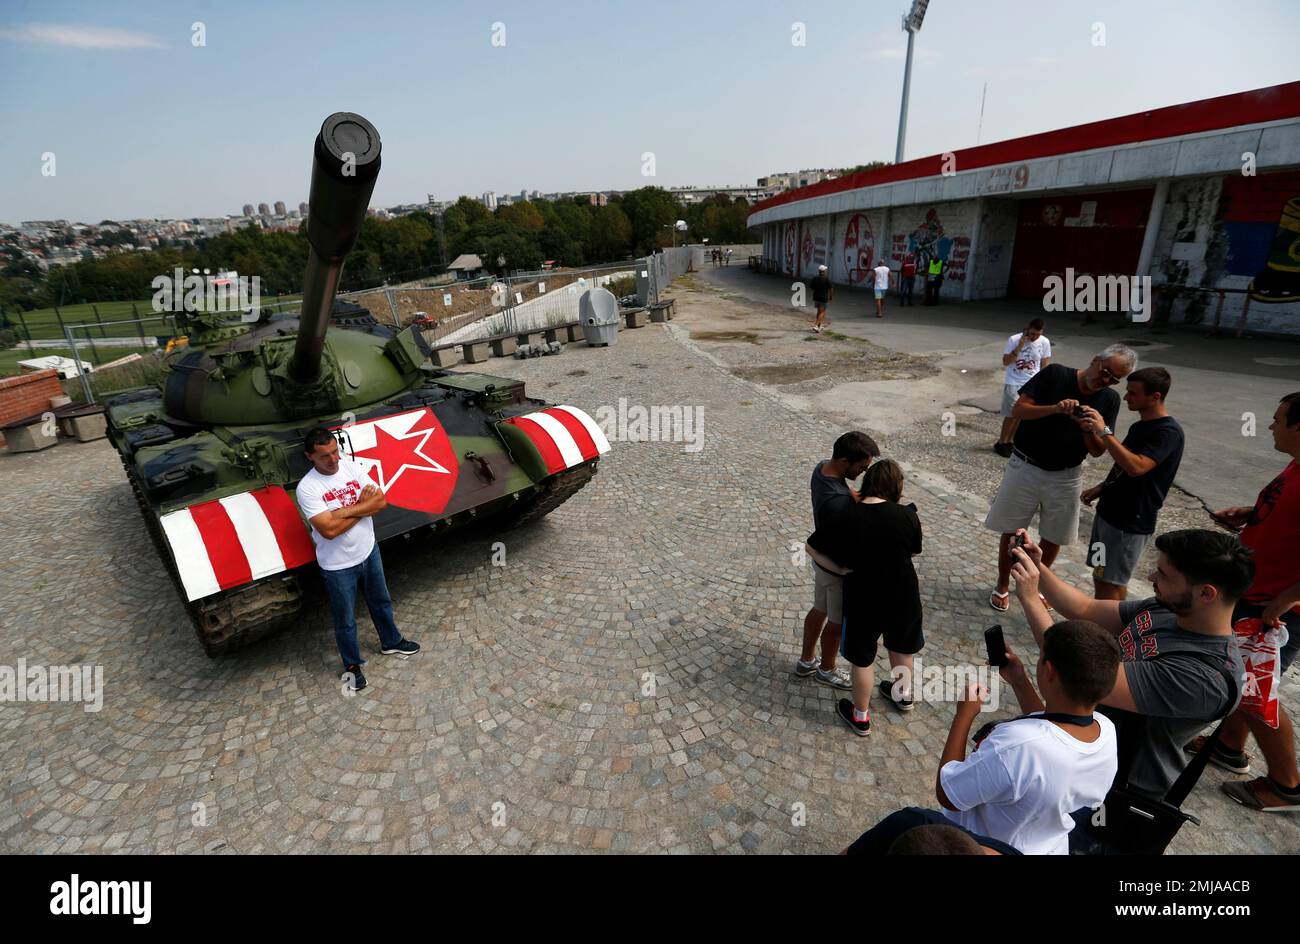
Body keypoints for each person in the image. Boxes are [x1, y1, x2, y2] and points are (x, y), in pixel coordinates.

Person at [1009, 528, 1247, 804]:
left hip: (1112, 791)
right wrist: (1038, 568)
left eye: (1164, 575)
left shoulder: (1206, 678)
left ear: (1206, 593)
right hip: (1080, 758)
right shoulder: (1170, 609)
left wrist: (1029, 598)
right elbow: (1086, 609)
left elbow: (1077, 671)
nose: (1151, 578)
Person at [846, 620, 1119, 855]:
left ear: (1049, 671)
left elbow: (949, 793)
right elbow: (1054, 727)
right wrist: (1019, 680)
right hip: (1047, 845)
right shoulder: (1105, 731)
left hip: (985, 845)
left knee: (907, 822)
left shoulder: (1018, 747)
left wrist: (964, 714)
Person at [1201, 391, 1300, 813]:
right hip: (1259, 593)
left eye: (1278, 420)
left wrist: (1285, 600)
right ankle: (1229, 745)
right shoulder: (1296, 463)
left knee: (1258, 694)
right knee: (1241, 679)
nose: (1271, 426)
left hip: (1279, 609)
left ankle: (1287, 785)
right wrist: (1249, 514)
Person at [984, 344, 1136, 613]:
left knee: (1053, 536)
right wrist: (1055, 408)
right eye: (1106, 372)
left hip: (1067, 474)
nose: (1106, 381)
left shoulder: (1109, 400)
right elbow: (1019, 410)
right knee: (1012, 529)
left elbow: (1099, 450)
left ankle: (1039, 585)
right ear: (1095, 359)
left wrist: (1090, 429)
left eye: (1115, 379)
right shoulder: (1055, 374)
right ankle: (1003, 584)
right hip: (1026, 465)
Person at [297, 427, 421, 691]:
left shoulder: (351, 468)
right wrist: (363, 509)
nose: (333, 460)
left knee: (381, 601)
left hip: (368, 550)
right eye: (324, 456)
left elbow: (381, 502)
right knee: (345, 620)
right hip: (337, 565)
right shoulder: (307, 488)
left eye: (335, 452)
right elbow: (328, 531)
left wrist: (342, 512)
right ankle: (352, 666)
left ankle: (391, 641)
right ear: (310, 456)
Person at [808, 459, 922, 736]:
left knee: (862, 658)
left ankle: (860, 716)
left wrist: (842, 569)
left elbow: (813, 547)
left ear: (867, 481)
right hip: (903, 593)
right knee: (901, 648)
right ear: (897, 486)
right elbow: (915, 552)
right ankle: (902, 693)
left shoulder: (849, 515)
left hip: (863, 596)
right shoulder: (907, 515)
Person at [1079, 367, 1185, 600]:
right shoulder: (1139, 427)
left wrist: (1104, 430)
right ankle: (1103, 621)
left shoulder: (1168, 432)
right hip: (1107, 513)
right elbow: (1122, 461)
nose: (1126, 397)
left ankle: (1111, 631)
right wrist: (1101, 488)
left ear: (1155, 396)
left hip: (1128, 522)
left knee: (1113, 582)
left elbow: (1136, 467)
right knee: (1100, 573)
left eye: (1133, 393)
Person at [797, 431, 880, 689]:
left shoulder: (822, 468)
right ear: (844, 461)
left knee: (818, 609)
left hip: (821, 562)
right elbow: (845, 506)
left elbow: (846, 494)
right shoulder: (839, 503)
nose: (863, 472)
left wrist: (855, 497)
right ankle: (827, 669)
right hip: (836, 570)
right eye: (861, 467)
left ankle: (806, 660)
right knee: (836, 623)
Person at [994, 319, 1052, 457]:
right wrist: (1019, 347)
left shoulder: (1044, 342)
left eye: (1037, 335)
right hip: (1014, 381)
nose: (1034, 337)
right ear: (1027, 330)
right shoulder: (1014, 339)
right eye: (1032, 334)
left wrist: (1043, 382)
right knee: (1011, 414)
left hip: (1032, 382)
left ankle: (1011, 441)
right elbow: (1006, 362)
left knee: (1022, 414)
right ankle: (1002, 442)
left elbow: (1044, 363)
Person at [809, 264, 833, 332]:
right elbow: (831, 288)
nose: (826, 271)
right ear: (824, 271)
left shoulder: (815, 278)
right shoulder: (826, 279)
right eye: (825, 270)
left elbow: (812, 287)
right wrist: (831, 296)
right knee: (823, 312)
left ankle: (819, 326)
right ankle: (816, 325)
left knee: (819, 311)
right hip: (823, 298)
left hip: (816, 297)